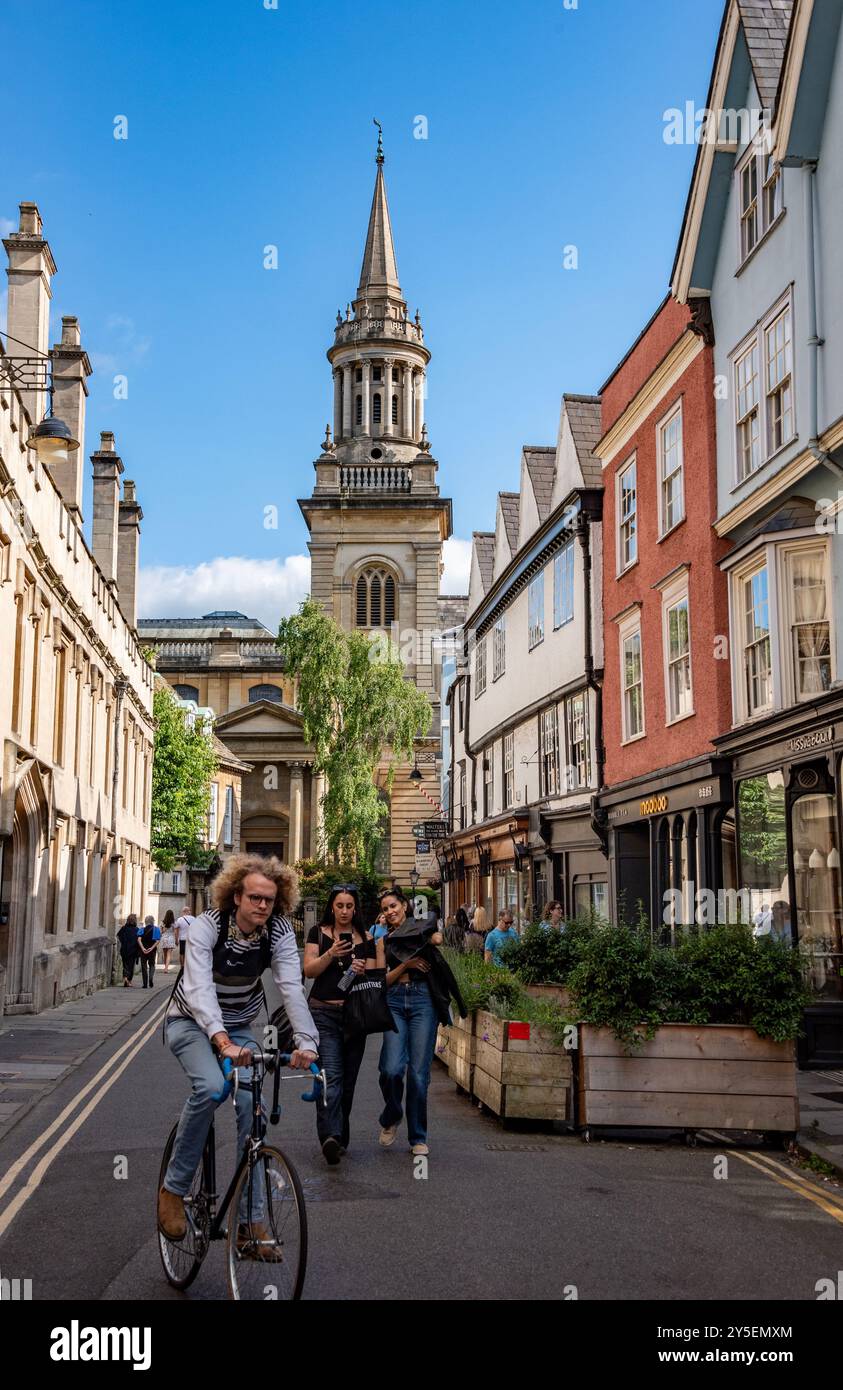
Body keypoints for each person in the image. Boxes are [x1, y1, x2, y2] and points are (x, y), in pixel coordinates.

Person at [157, 855, 319, 1249]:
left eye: (269, 899)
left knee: (252, 1105)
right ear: (235, 896)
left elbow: (291, 986)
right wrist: (220, 1039)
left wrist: (307, 1042)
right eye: (254, 897)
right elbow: (198, 989)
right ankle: (174, 1189)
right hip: (189, 1022)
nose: (262, 905)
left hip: (241, 1027)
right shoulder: (207, 927)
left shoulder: (277, 931)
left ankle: (250, 1222)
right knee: (213, 1088)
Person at [303, 885, 384, 1166]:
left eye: (350, 906)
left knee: (347, 1083)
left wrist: (358, 971)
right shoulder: (318, 933)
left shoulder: (366, 938)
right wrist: (331, 954)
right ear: (332, 907)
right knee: (332, 1077)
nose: (345, 911)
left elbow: (374, 980)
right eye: (340, 906)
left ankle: (340, 1138)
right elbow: (309, 970)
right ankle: (330, 1136)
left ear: (355, 909)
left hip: (354, 1017)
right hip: (323, 1013)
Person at [377, 887, 453, 1158]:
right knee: (391, 1069)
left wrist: (434, 936)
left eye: (393, 905)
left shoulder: (420, 929)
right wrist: (405, 967)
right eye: (385, 909)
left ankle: (418, 1137)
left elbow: (438, 938)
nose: (390, 911)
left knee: (419, 1074)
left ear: (405, 906)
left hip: (423, 1002)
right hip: (395, 1001)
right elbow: (380, 982)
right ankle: (391, 1114)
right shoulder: (383, 942)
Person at [138, 915, 161, 988]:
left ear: (146, 922)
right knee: (152, 965)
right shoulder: (156, 929)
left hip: (143, 950)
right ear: (152, 921)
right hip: (152, 950)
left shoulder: (142, 929)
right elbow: (157, 940)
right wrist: (151, 948)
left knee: (144, 966)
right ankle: (151, 978)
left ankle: (145, 984)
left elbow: (139, 940)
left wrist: (143, 948)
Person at [117, 914, 139, 987]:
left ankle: (125, 977)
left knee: (125, 965)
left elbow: (119, 936)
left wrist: (123, 942)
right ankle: (129, 980)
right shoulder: (136, 930)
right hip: (133, 950)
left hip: (124, 949)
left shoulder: (124, 928)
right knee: (131, 966)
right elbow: (139, 940)